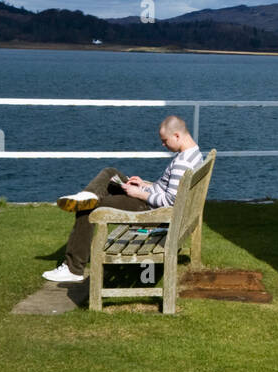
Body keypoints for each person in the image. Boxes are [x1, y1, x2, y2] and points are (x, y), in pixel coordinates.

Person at [42, 115, 204, 283]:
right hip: (152, 201)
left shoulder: (182, 163)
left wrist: (139, 193)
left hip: (151, 211)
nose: (163, 145)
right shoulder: (194, 154)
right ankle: (89, 194)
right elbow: (169, 189)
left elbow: (170, 201)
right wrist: (144, 184)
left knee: (88, 208)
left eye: (165, 141)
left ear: (177, 136)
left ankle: (73, 269)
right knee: (111, 173)